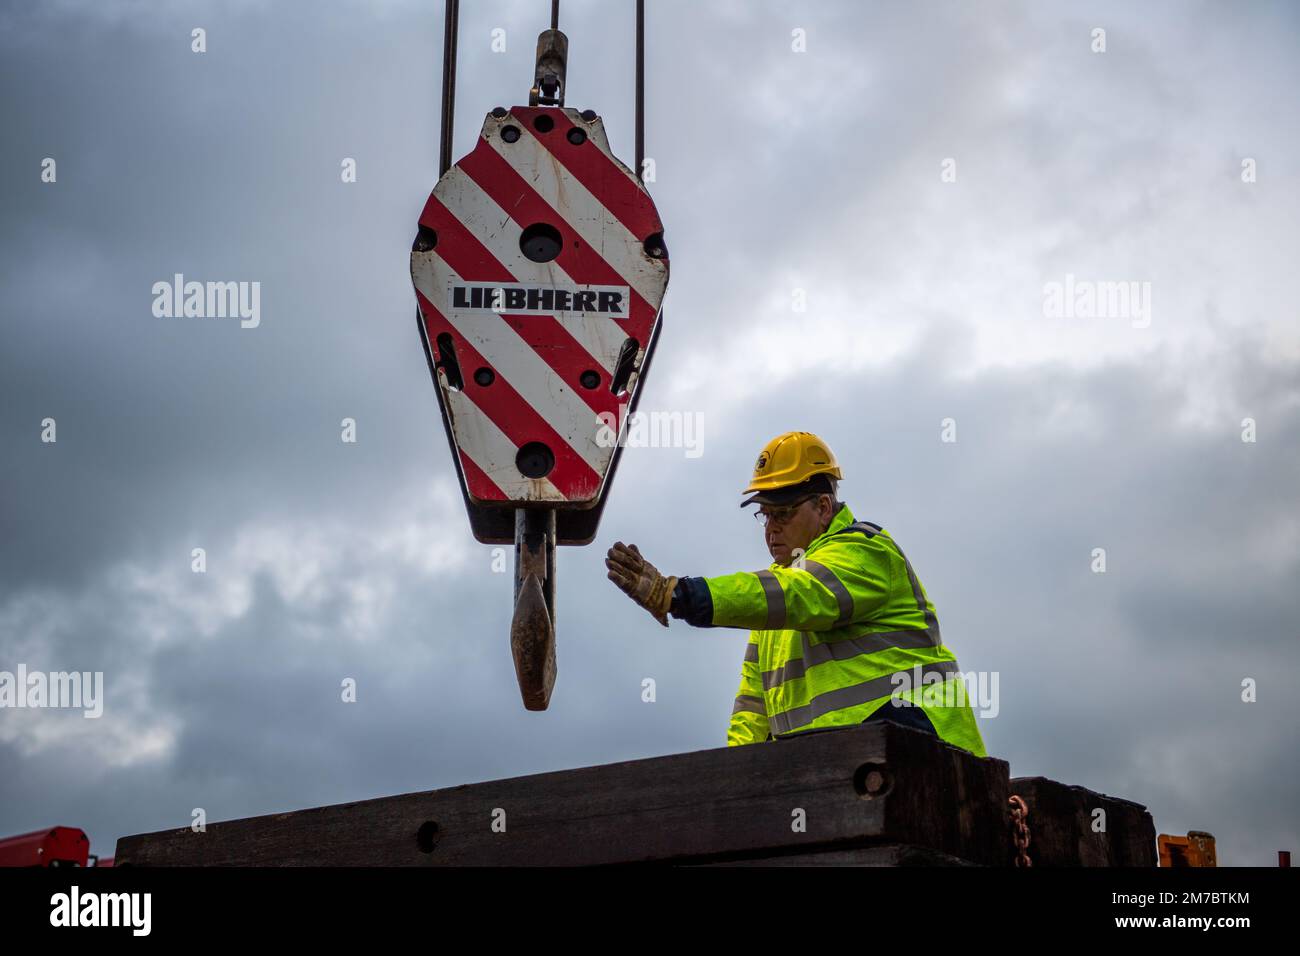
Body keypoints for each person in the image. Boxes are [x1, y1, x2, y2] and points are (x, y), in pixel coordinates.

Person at [605, 430, 988, 756]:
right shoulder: (775, 598)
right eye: (765, 515)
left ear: (823, 507)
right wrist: (736, 776)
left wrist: (678, 595)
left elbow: (801, 594)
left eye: (783, 513)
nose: (771, 528)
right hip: (840, 768)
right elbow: (753, 706)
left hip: (926, 750)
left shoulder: (865, 551)